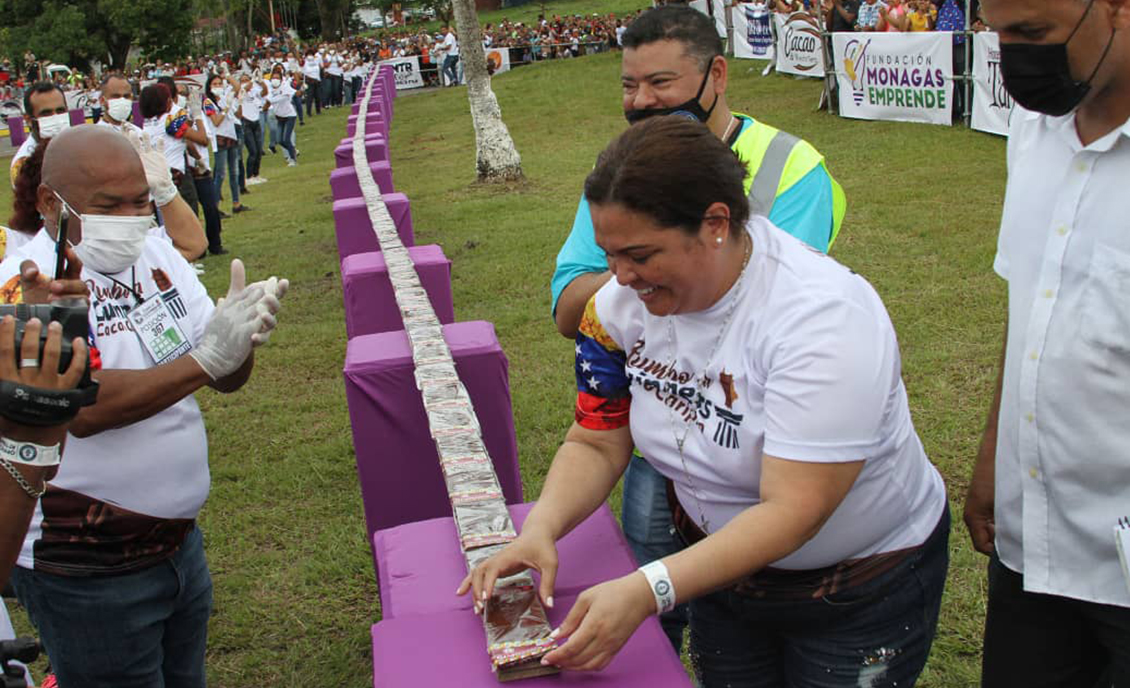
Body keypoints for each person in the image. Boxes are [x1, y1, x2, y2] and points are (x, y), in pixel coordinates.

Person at [463, 117, 949, 687]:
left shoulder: (823, 319)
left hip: (858, 587)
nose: (620, 277)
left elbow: (794, 509)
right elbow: (596, 440)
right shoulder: (613, 308)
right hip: (719, 570)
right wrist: (540, 529)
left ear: (716, 223)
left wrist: (649, 587)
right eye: (608, 254)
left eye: (639, 254)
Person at [549, 4, 846, 651]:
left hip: (753, 436)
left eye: (661, 82)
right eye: (629, 85)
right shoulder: (621, 175)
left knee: (747, 583)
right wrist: (648, 265)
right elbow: (572, 309)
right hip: (655, 434)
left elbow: (754, 307)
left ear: (716, 74)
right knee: (657, 616)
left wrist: (639, 279)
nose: (642, 102)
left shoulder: (790, 168)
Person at [1, 124, 287, 688]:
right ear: (49, 203)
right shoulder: (25, 285)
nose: (131, 218)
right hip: (88, 567)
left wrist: (240, 338)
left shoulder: (156, 255)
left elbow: (224, 377)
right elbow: (81, 410)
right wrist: (206, 360)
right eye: (109, 206)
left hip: (178, 544)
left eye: (139, 201)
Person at [965, 0, 1130, 686]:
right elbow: (1030, 305)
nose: (1012, 56)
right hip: (1034, 543)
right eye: (998, 32)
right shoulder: (1033, 129)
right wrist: (992, 459)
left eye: (1032, 33)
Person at [204, 73, 250, 215]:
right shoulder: (208, 103)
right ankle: (215, 207)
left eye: (220, 84)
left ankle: (236, 203)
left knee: (234, 172)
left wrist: (227, 75)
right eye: (214, 84)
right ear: (209, 87)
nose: (218, 86)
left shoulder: (224, 98)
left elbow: (237, 88)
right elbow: (216, 122)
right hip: (220, 139)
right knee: (220, 174)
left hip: (231, 136)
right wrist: (225, 109)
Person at [10, 82, 69, 189]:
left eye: (60, 111)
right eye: (46, 113)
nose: (55, 117)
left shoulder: (75, 144)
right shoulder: (24, 163)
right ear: (28, 119)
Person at [265, 66, 298, 167]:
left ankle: (293, 160)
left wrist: (302, 89)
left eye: (277, 78)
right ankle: (293, 150)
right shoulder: (270, 90)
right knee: (279, 140)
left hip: (289, 116)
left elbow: (295, 93)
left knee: (286, 139)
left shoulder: (285, 87)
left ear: (281, 79)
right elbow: (268, 100)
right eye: (273, 78)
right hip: (280, 117)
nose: (275, 80)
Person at [238, 74, 267, 185]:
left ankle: (256, 174)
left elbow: (265, 92)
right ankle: (249, 176)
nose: (245, 82)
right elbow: (244, 89)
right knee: (253, 151)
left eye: (247, 80)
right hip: (246, 122)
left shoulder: (254, 91)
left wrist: (261, 81)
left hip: (256, 121)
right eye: (243, 80)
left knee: (259, 151)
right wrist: (251, 81)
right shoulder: (240, 92)